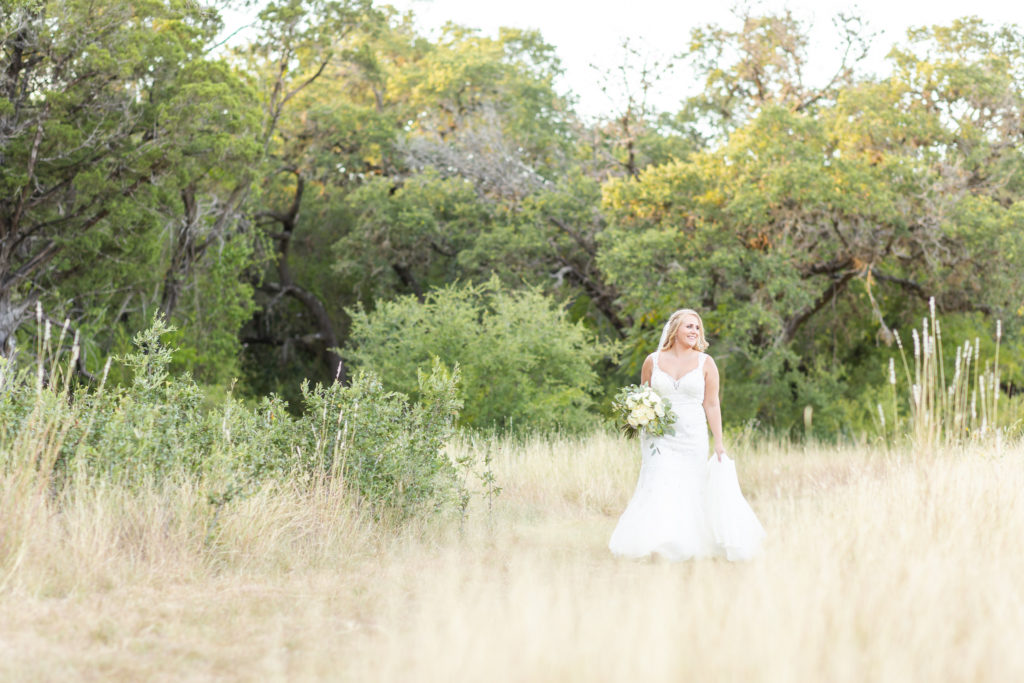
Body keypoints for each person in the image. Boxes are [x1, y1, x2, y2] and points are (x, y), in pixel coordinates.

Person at [608, 309, 765, 562]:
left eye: (697, 328)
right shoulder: (653, 361)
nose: (694, 331)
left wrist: (720, 443)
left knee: (689, 487)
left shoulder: (706, 363)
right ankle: (657, 542)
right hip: (659, 436)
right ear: (675, 330)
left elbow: (712, 404)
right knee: (659, 480)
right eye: (689, 327)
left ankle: (684, 542)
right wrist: (638, 415)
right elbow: (643, 397)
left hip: (693, 435)